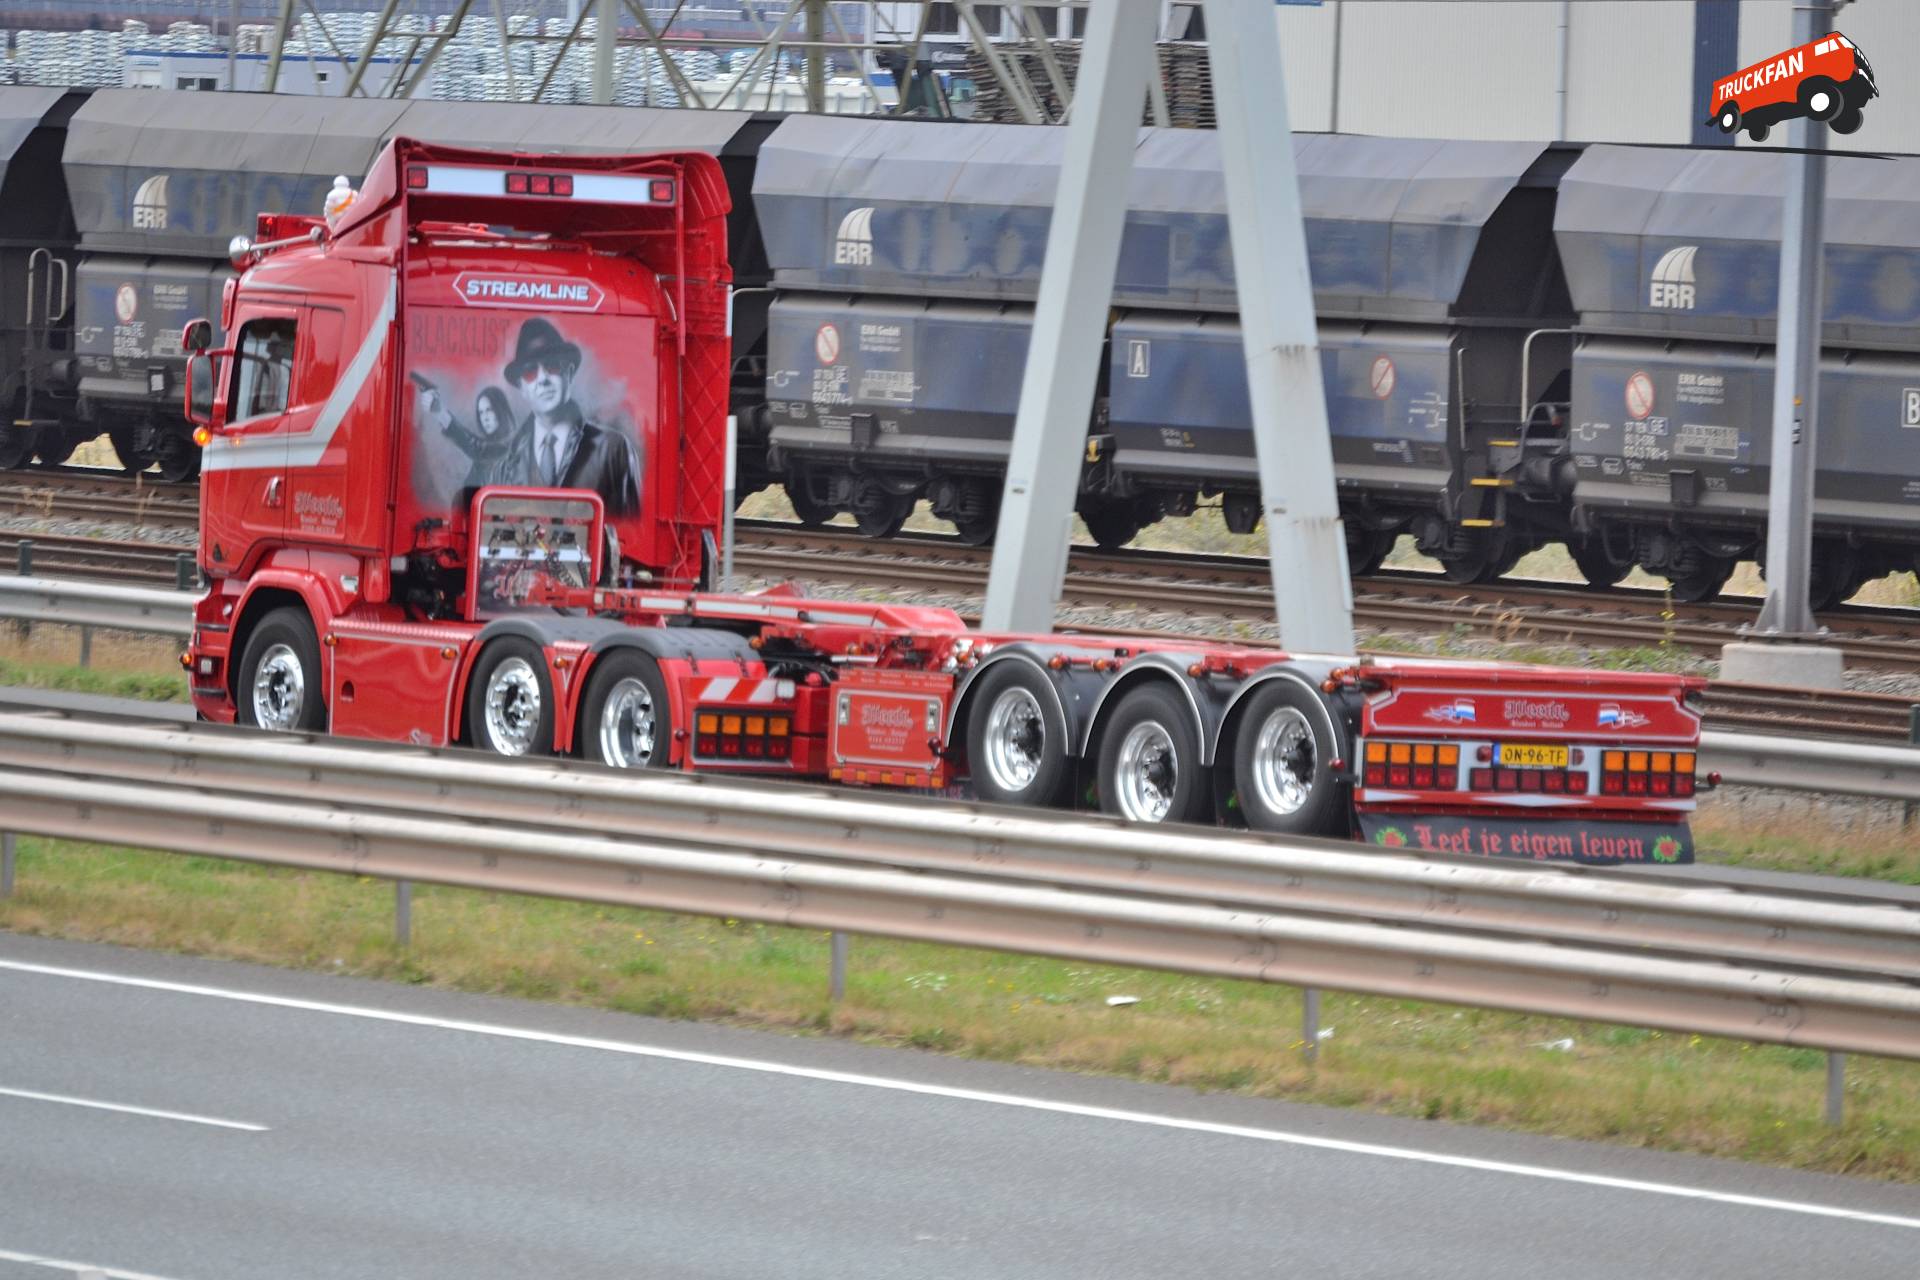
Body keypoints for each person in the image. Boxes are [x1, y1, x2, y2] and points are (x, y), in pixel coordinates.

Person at [495, 317, 642, 518]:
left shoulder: (613, 450)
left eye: (552, 366)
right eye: (530, 372)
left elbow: (629, 532)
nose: (543, 379)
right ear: (522, 387)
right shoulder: (505, 467)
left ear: (569, 373)